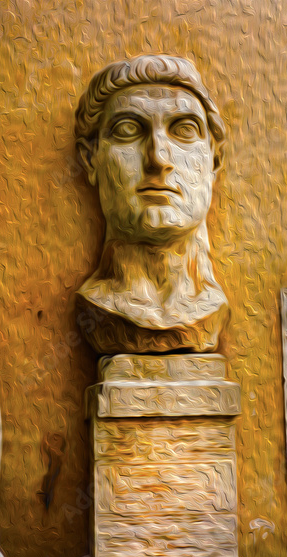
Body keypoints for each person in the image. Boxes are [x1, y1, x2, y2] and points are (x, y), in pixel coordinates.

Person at [73, 55, 229, 354]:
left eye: (183, 130)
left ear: (214, 160)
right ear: (90, 160)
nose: (158, 158)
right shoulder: (97, 310)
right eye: (128, 130)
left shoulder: (212, 308)